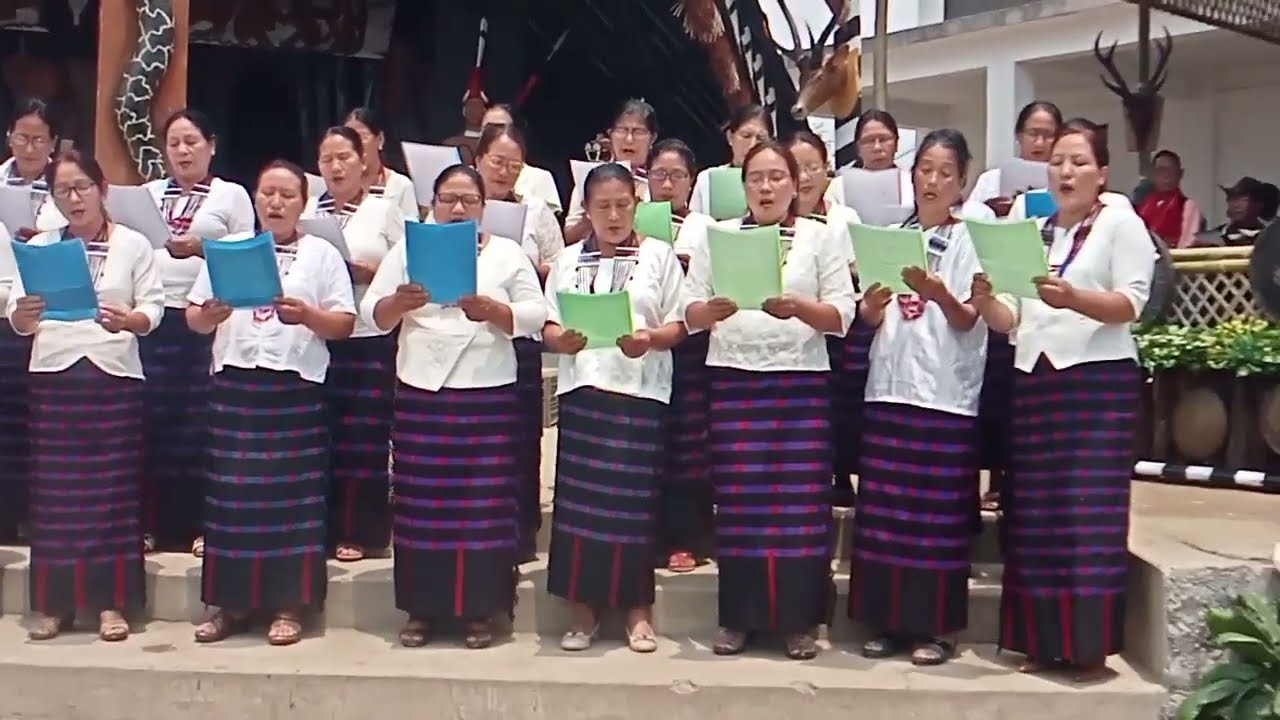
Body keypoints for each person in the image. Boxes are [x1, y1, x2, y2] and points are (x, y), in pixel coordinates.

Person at [970, 119, 1153, 677]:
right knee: (1035, 513)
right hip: (1036, 380)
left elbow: (1131, 304)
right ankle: (1039, 640)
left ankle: (1085, 645)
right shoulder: (1037, 228)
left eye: (1078, 162)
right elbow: (1013, 317)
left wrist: (1075, 298)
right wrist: (984, 303)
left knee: (1084, 513)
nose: (1066, 172)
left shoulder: (1122, 225)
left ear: (1102, 172)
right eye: (1057, 163)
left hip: (1095, 385)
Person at [681, 141, 856, 659]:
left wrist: (800, 307)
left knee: (798, 505)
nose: (765, 187)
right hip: (735, 380)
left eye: (776, 177)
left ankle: (800, 621)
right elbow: (689, 312)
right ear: (743, 184)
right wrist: (710, 309)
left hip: (799, 383)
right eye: (756, 177)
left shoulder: (820, 237)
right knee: (741, 502)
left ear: (795, 183)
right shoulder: (720, 237)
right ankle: (739, 618)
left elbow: (842, 315)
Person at [363, 164, 545, 649]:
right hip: (423, 390)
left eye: (468, 200)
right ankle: (423, 608)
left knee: (480, 506)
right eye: (448, 198)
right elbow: (373, 314)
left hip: (486, 392)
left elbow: (536, 313)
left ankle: (481, 611)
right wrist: (399, 304)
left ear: (484, 208)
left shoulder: (507, 254)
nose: (458, 208)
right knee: (423, 505)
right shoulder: (408, 248)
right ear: (431, 203)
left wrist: (495, 311)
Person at [186, 159, 357, 646]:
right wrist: (211, 313)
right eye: (267, 194)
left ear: (304, 203)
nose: (276, 203)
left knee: (291, 500)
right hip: (237, 385)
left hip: (294, 388)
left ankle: (290, 605)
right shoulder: (230, 247)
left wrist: (306, 316)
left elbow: (344, 324)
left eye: (287, 195)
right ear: (255, 200)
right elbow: (195, 319)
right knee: (233, 498)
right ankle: (230, 604)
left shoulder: (321, 254)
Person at [8, 150, 164, 641]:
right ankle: (55, 605)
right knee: (56, 497)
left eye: (81, 188)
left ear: (102, 188)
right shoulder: (42, 246)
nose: (73, 199)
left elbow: (153, 309)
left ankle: (110, 604)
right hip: (55, 373)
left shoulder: (133, 245)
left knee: (111, 493)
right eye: (62, 191)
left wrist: (129, 319)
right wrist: (27, 312)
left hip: (111, 375)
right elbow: (16, 315)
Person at [850, 129, 988, 666]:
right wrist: (871, 306)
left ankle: (937, 628)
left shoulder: (971, 239)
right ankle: (886, 622)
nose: (932, 181)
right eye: (924, 169)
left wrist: (938, 293)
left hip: (944, 393)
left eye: (944, 172)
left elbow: (969, 318)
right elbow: (870, 317)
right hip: (889, 388)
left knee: (935, 518)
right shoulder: (890, 234)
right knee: (887, 514)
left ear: (961, 182)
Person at [543, 163, 686, 652]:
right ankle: (581, 611)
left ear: (637, 206)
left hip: (640, 392)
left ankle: (636, 611)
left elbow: (679, 323)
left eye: (623, 204)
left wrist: (649, 339)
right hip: (584, 390)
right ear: (586, 211)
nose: (614, 215)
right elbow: (549, 322)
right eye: (602, 206)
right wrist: (562, 340)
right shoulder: (566, 260)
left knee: (632, 507)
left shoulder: (660, 256)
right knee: (580, 510)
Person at [141, 109, 255, 556]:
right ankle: (152, 524)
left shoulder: (231, 195)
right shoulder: (149, 194)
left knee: (202, 422)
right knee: (154, 420)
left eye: (191, 141)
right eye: (173, 143)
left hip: (207, 318)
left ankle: (201, 526)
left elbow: (246, 252)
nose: (182, 151)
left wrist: (202, 247)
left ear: (212, 145)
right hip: (153, 318)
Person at [304, 126, 405, 562]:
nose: (336, 166)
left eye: (344, 156)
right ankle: (321, 526)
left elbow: (405, 263)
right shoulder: (308, 210)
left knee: (364, 436)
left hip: (368, 333)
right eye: (327, 159)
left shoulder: (384, 209)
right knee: (323, 432)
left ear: (364, 160)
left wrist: (370, 270)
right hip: (319, 333)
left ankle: (359, 530)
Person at [474, 123, 564, 560]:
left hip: (520, 333)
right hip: (470, 338)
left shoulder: (535, 211)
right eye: (497, 161)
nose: (505, 171)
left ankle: (522, 530)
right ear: (478, 161)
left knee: (522, 436)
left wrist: (531, 265)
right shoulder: (457, 208)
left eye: (514, 164)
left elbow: (559, 262)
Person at [786, 130, 867, 508]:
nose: (804, 177)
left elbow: (857, 269)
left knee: (839, 406)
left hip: (835, 327)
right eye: (796, 168)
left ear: (827, 171)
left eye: (812, 167)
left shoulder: (844, 217)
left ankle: (840, 473)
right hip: (786, 329)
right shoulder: (773, 218)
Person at [649, 139, 716, 573]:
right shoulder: (632, 224)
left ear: (691, 181)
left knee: (690, 446)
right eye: (659, 175)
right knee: (652, 444)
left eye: (676, 176)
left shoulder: (707, 227)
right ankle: (650, 536)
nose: (667, 184)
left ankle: (689, 538)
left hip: (691, 348)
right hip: (645, 342)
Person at [564, 99, 655, 244]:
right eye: (622, 130)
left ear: (652, 138)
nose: (629, 139)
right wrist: (592, 216)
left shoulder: (659, 180)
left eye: (638, 132)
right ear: (610, 134)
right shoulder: (593, 178)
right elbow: (568, 236)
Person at [969, 101, 1063, 215]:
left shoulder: (1067, 179)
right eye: (1033, 134)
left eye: (1048, 135)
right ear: (1019, 135)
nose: (1039, 143)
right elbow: (969, 219)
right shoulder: (990, 180)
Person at [689, 104, 773, 216]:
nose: (752, 145)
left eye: (761, 138)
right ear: (730, 137)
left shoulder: (777, 181)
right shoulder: (707, 178)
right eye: (746, 136)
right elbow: (694, 225)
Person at [0, 98, 65, 237]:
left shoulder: (65, 183)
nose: (29, 149)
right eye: (22, 138)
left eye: (39, 140)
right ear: (9, 137)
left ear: (53, 143)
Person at [482, 103, 561, 214]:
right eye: (487, 129)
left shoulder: (539, 177)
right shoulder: (464, 177)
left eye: (500, 127)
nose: (494, 134)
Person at [344, 107, 419, 220]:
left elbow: (408, 232)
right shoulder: (337, 183)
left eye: (362, 137)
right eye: (349, 138)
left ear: (380, 139)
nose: (355, 144)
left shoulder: (401, 185)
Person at [1134, 150, 1202, 248]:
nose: (1166, 176)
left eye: (1171, 170)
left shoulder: (1187, 206)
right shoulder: (1141, 205)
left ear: (1180, 174)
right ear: (1152, 174)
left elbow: (1187, 244)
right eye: (1161, 170)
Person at [1209, 176, 1268, 246]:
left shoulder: (1271, 238)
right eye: (1232, 199)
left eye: (1244, 200)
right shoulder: (1212, 239)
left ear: (1259, 204)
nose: (1236, 205)